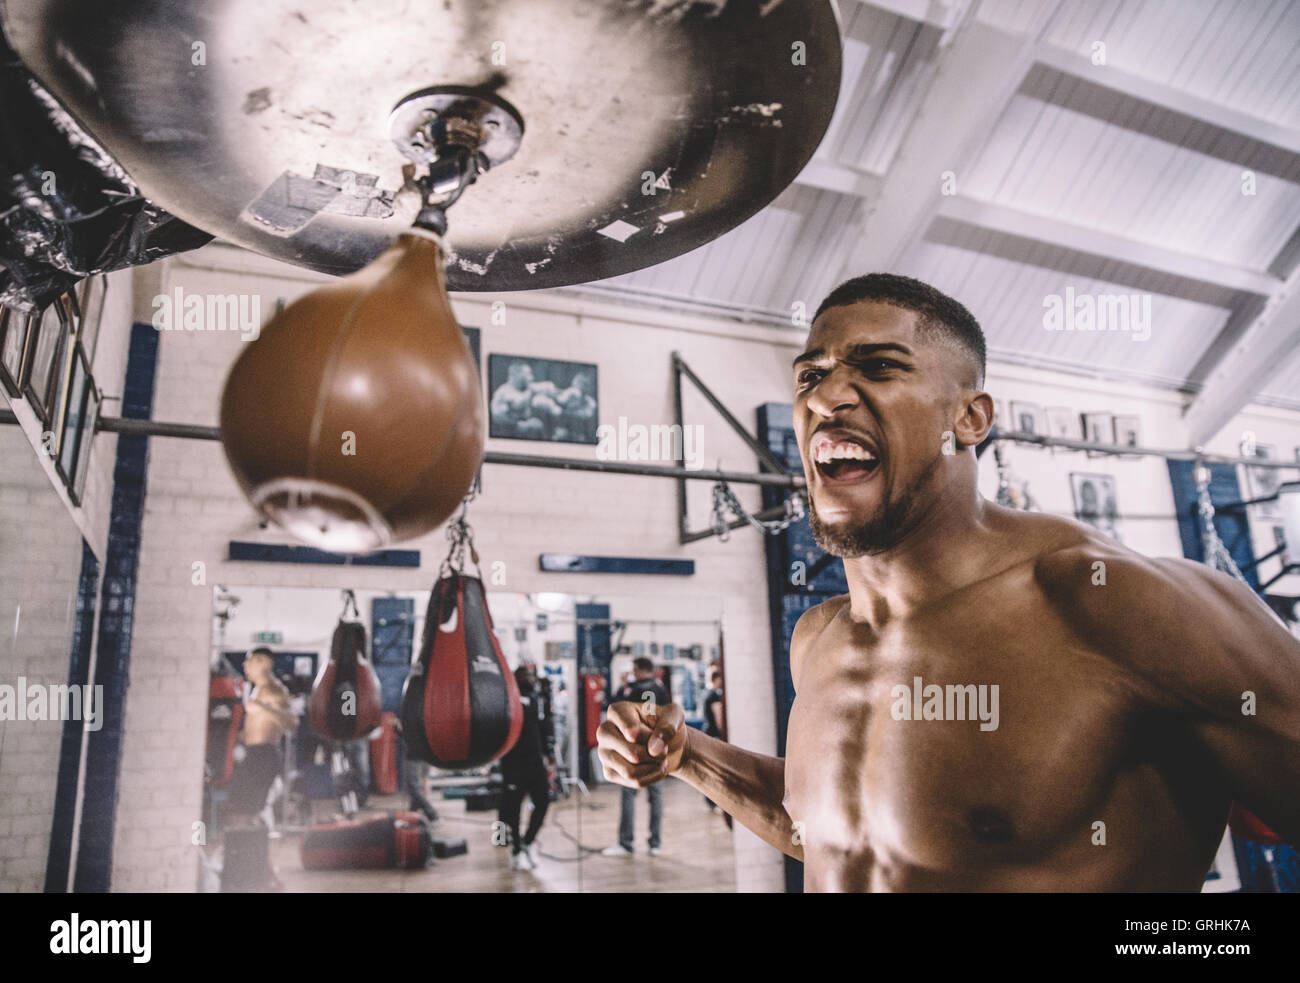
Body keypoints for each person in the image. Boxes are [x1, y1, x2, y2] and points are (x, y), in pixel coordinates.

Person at [597, 272, 1300, 891]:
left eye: (876, 366)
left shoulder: (1110, 602)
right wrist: (688, 755)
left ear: (970, 418)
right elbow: (840, 836)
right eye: (810, 375)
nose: (827, 396)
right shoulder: (819, 639)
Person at [601, 657, 669, 858]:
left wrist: (622, 686)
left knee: (629, 793)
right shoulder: (661, 689)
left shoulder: (633, 689)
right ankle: (655, 843)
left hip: (634, 750)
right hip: (656, 749)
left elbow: (613, 708)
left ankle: (626, 843)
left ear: (639, 670)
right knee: (656, 796)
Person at [225, 647, 296, 828]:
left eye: (250, 661)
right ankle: (245, 846)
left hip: (264, 754)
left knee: (246, 805)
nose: (245, 665)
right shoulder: (258, 689)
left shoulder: (274, 689)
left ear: (262, 663)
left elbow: (291, 722)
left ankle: (251, 848)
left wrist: (264, 708)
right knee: (240, 803)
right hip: (254, 752)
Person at [498, 665, 554, 871]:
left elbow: (546, 725)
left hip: (535, 763)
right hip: (512, 763)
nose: (529, 678)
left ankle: (528, 842)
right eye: (525, 675)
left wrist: (550, 755)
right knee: (511, 809)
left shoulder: (538, 700)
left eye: (531, 675)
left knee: (543, 801)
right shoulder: (507, 699)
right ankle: (515, 850)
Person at [700, 668, 731, 829]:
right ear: (717, 679)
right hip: (714, 736)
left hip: (706, 734)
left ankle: (710, 800)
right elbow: (719, 717)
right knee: (717, 771)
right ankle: (716, 801)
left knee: (709, 771)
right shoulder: (714, 696)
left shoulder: (705, 693)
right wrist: (724, 734)